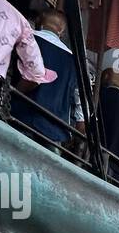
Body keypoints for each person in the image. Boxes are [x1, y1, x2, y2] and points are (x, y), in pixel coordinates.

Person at [10, 9, 85, 146]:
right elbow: (82, 103)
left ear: (38, 21)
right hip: (54, 132)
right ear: (61, 31)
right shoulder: (76, 64)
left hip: (18, 117)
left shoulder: (27, 38)